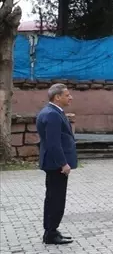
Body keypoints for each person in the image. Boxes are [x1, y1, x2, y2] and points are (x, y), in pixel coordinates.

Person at [37, 83, 78, 245]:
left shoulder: (51, 111)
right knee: (56, 199)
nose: (70, 98)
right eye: (67, 95)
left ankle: (51, 230)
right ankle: (51, 233)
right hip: (56, 164)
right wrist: (63, 163)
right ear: (57, 97)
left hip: (53, 163)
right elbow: (53, 143)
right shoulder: (52, 114)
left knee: (53, 197)